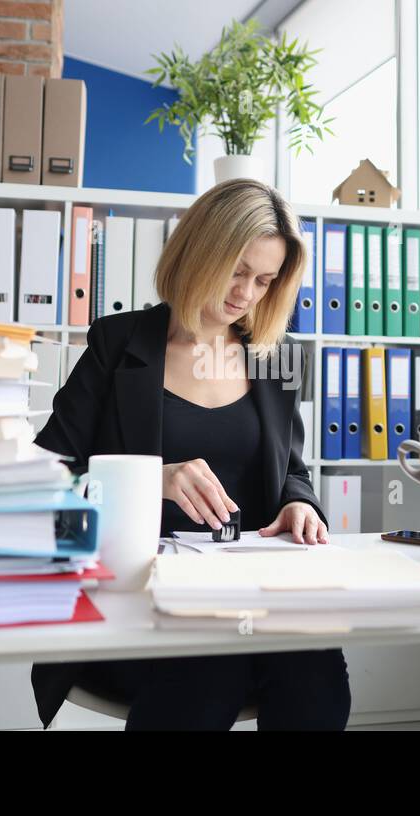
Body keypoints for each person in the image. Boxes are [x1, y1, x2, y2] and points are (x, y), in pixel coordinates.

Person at [31, 179, 351, 730]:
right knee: (207, 677)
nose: (246, 294)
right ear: (201, 250)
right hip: (140, 605)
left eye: (264, 280)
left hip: (255, 601)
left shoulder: (274, 358)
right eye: (237, 270)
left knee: (317, 680)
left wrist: (301, 505)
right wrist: (147, 479)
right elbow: (43, 477)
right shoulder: (117, 344)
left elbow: (292, 469)